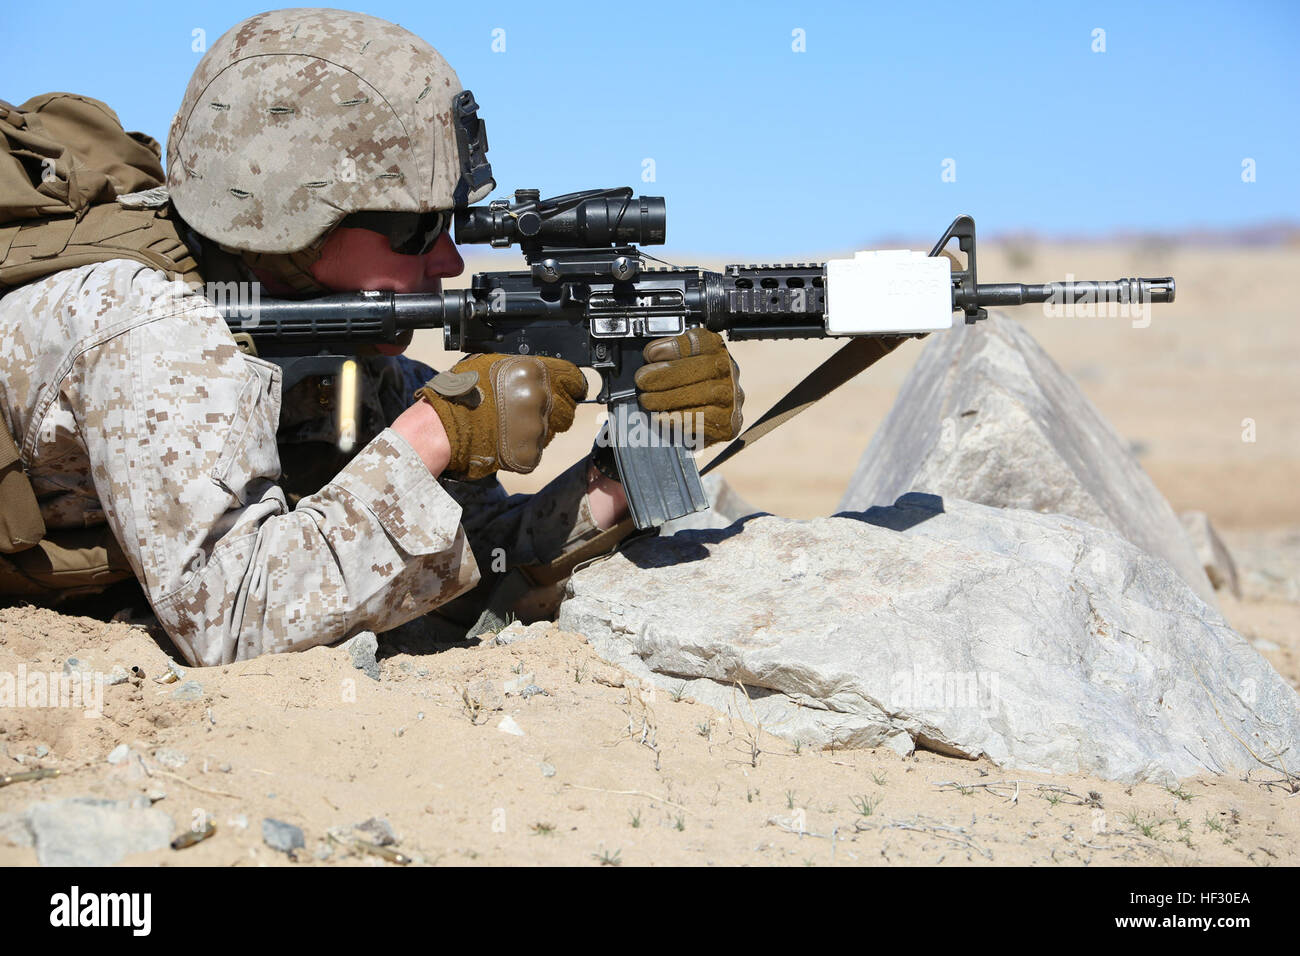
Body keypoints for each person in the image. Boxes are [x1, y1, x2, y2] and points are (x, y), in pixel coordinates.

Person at [0, 8, 743, 666]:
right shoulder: (155, 333)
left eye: (451, 225)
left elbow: (477, 564)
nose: (449, 260)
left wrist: (624, 471)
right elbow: (231, 623)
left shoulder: (331, 342)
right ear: (288, 217)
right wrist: (433, 438)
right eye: (417, 228)